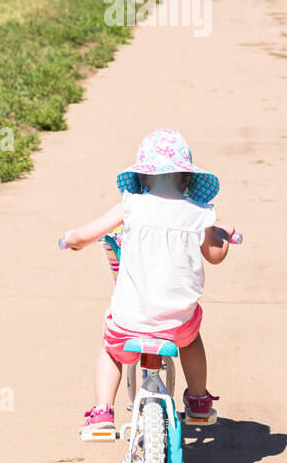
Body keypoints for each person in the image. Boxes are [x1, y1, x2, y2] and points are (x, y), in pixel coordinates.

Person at [62, 128, 234, 434]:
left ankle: (103, 411)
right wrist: (224, 233)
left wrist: (70, 239)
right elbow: (215, 255)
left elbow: (84, 235)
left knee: (111, 349)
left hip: (132, 318)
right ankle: (197, 401)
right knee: (192, 340)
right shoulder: (200, 213)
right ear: (186, 180)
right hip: (177, 320)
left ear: (141, 178)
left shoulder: (129, 205)